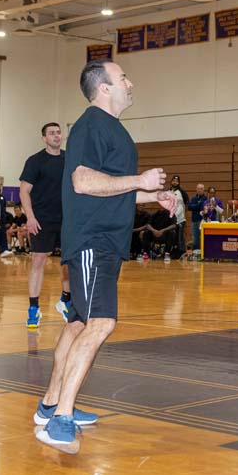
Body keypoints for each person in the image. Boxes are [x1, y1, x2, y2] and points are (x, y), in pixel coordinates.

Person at [35, 60, 174, 454]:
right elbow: (82, 180)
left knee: (79, 324)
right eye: (123, 78)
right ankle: (60, 420)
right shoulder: (92, 124)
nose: (131, 82)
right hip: (93, 242)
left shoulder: (112, 128)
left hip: (104, 241)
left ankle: (49, 406)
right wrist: (139, 181)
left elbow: (107, 186)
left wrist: (150, 196)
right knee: (101, 323)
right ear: (104, 88)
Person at [19, 122, 71, 329]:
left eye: (59, 132)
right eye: (52, 133)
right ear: (44, 138)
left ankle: (65, 300)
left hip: (67, 219)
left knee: (68, 262)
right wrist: (30, 217)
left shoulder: (70, 159)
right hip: (42, 219)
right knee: (38, 261)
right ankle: (34, 308)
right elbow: (24, 191)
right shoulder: (35, 161)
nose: (57, 136)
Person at [187, 183, 209, 250]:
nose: (199, 190)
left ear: (203, 190)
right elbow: (189, 207)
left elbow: (200, 207)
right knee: (194, 238)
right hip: (194, 221)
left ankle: (202, 252)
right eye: (198, 188)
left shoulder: (205, 198)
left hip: (201, 221)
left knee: (202, 237)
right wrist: (197, 205)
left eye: (201, 189)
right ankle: (195, 253)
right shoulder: (193, 198)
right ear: (196, 189)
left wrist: (195, 206)